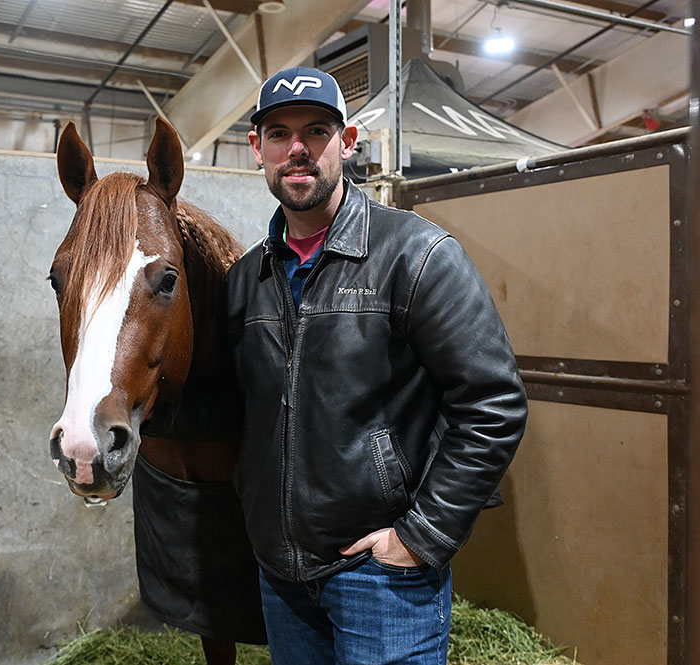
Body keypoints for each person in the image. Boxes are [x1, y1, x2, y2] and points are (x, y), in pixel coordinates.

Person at [150, 65, 528, 665]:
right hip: (282, 574)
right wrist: (145, 411)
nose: (296, 149)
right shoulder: (248, 278)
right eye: (278, 133)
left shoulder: (417, 256)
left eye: (316, 131)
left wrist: (421, 536)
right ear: (257, 150)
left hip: (380, 575)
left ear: (347, 143)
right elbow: (245, 405)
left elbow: (493, 405)